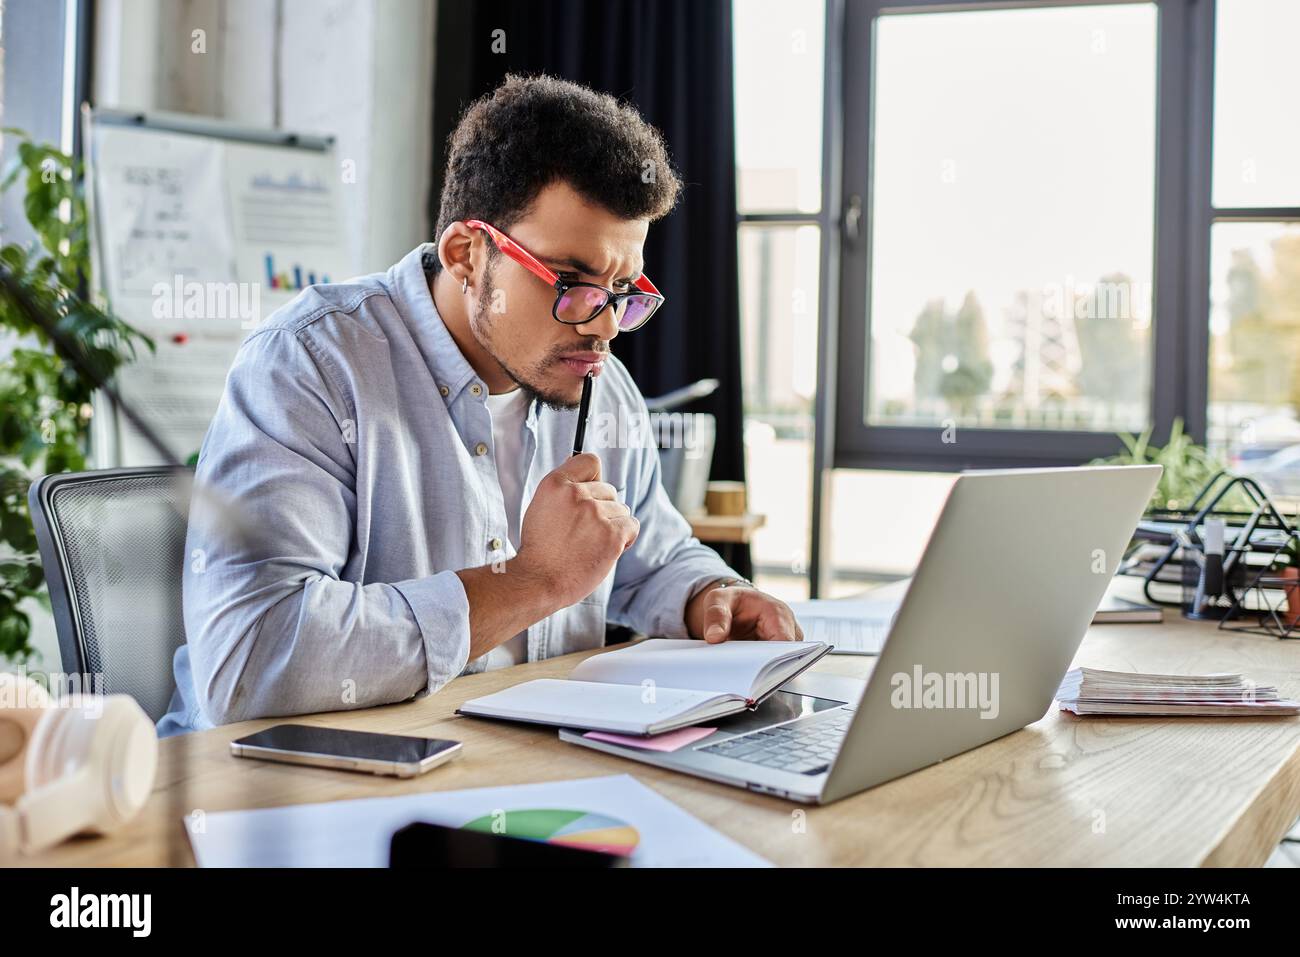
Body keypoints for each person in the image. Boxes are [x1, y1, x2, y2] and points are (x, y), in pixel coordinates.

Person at [158, 74, 801, 736]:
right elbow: (250, 657)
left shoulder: (596, 384)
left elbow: (649, 554)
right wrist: (528, 582)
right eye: (573, 282)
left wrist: (710, 596)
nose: (603, 324)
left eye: (621, 288)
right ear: (468, 256)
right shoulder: (309, 366)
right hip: (287, 800)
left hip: (514, 782)